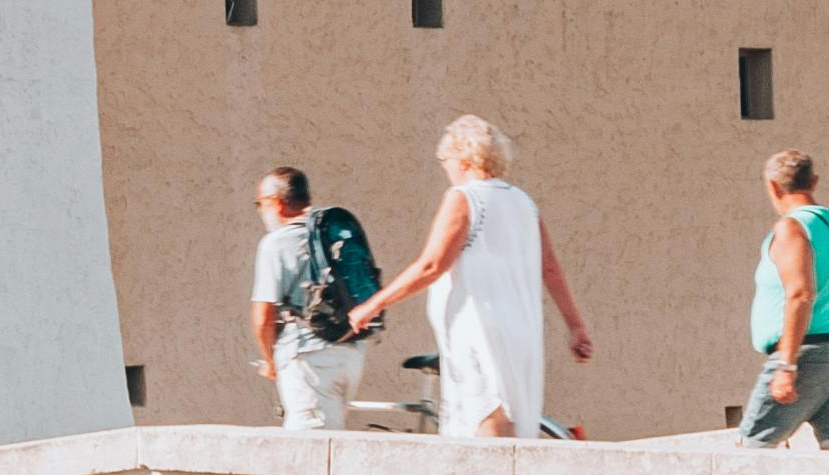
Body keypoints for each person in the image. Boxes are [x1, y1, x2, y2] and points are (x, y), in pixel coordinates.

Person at [346, 117, 588, 437]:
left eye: (444, 160)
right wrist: (575, 325)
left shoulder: (463, 197)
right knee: (513, 430)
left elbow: (431, 265)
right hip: (523, 332)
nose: (445, 168)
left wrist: (374, 304)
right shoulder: (524, 204)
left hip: (479, 331)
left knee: (485, 426)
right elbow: (551, 269)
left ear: (463, 158)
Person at [741, 146, 829, 451]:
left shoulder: (791, 227)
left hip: (804, 352)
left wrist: (787, 365)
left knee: (752, 446)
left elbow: (800, 294)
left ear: (772, 186)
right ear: (813, 181)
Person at [247, 166, 367, 431]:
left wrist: (270, 361)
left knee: (310, 452)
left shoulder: (276, 242)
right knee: (331, 441)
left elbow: (263, 318)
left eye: (260, 204)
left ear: (276, 203)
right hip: (351, 353)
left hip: (309, 358)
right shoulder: (330, 231)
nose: (260, 211)